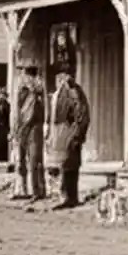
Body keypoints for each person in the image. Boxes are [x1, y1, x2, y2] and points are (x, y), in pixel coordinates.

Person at [47, 71, 90, 210]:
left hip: (71, 133)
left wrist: (77, 134)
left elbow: (81, 115)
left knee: (70, 165)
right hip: (64, 134)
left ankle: (70, 196)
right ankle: (67, 195)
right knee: (66, 165)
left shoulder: (73, 93)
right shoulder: (63, 94)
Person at [11, 65, 46, 201]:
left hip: (33, 127)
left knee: (34, 160)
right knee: (20, 160)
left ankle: (37, 190)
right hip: (21, 128)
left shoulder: (36, 90)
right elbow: (17, 111)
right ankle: (22, 188)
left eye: (25, 74)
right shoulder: (21, 90)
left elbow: (36, 109)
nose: (23, 78)